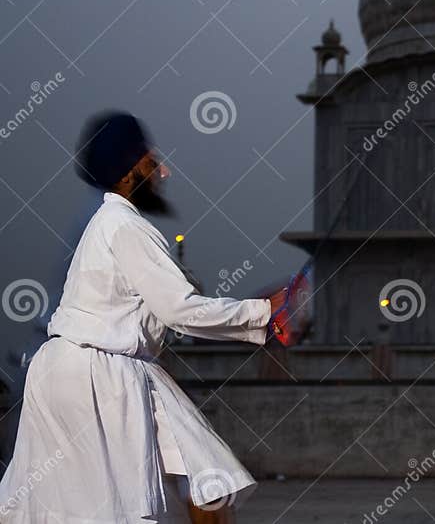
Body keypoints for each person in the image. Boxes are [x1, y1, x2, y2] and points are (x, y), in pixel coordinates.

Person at [0, 112, 286, 523]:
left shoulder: (104, 224)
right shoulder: (125, 226)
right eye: (153, 163)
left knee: (61, 505)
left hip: (70, 370)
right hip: (99, 376)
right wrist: (264, 312)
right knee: (163, 493)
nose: (164, 171)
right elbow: (179, 309)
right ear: (130, 170)